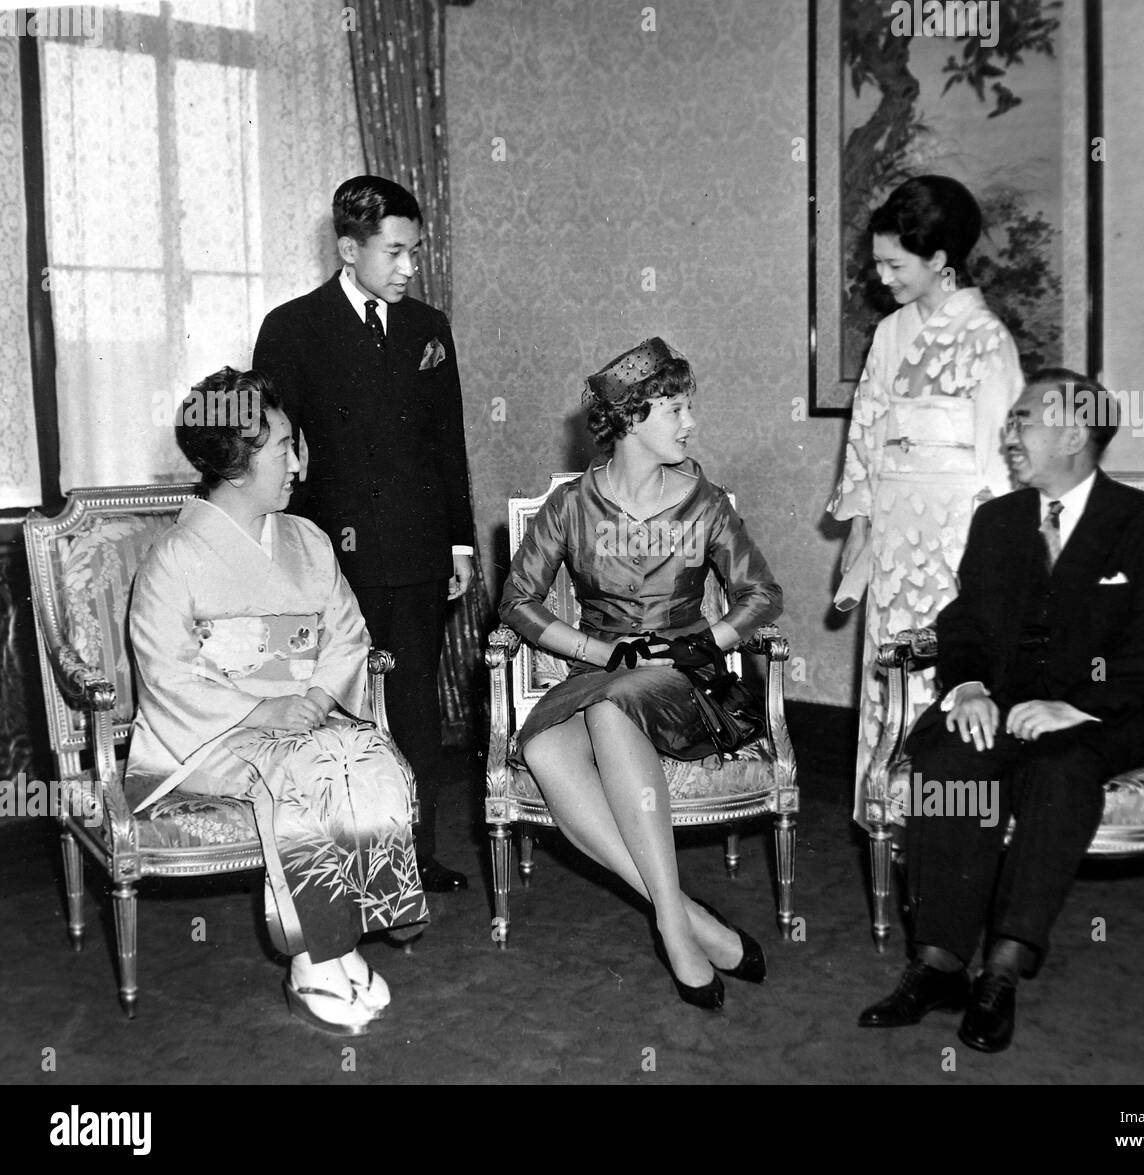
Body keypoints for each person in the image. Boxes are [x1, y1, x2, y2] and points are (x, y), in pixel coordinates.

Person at [858, 370, 1144, 1051]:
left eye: (1021, 421)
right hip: (1005, 702)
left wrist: (1077, 705)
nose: (1007, 435)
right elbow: (969, 621)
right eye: (1008, 422)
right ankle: (941, 962)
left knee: (1060, 770)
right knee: (953, 753)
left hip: (1099, 716)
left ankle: (1003, 968)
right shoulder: (999, 519)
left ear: (1073, 432)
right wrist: (972, 685)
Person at [125, 368, 428, 1036]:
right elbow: (169, 676)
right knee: (307, 769)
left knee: (367, 749)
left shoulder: (309, 540)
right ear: (235, 460)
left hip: (301, 720)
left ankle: (347, 938)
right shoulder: (175, 559)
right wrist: (265, 711)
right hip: (205, 742)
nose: (298, 462)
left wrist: (316, 699)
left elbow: (347, 636)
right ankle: (316, 957)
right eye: (283, 446)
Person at [497, 338, 783, 1011]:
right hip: (606, 670)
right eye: (677, 409)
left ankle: (676, 935)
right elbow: (516, 601)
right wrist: (601, 653)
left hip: (686, 681)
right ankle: (684, 913)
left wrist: (695, 642)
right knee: (541, 744)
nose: (691, 423)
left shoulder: (704, 502)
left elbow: (761, 596)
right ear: (630, 419)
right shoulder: (571, 506)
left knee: (606, 712)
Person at [252, 175, 473, 893]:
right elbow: (271, 452)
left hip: (416, 552)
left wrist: (460, 544)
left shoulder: (427, 329)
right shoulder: (291, 328)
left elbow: (449, 442)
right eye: (396, 252)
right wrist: (280, 552)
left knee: (412, 708)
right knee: (329, 711)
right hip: (327, 558)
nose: (410, 268)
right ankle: (337, 865)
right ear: (349, 248)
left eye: (416, 252)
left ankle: (415, 854)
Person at [827, 175, 1023, 827]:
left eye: (894, 263)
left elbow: (1004, 461)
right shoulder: (889, 334)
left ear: (940, 259)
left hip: (958, 536)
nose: (883, 277)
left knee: (951, 666)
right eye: (878, 262)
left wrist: (994, 558)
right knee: (894, 673)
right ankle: (892, 821)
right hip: (893, 529)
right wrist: (860, 525)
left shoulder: (987, 339)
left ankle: (956, 827)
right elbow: (866, 436)